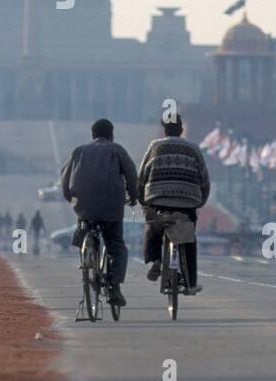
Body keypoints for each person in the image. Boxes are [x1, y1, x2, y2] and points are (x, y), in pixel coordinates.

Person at [59, 118, 138, 307]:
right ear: (111, 135)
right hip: (112, 207)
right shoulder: (117, 150)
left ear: (92, 135)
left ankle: (85, 252)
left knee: (84, 227)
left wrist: (72, 199)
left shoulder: (78, 151)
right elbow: (131, 174)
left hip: (84, 207)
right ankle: (114, 288)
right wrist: (134, 197)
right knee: (117, 247)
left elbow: (64, 180)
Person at [138, 114, 209, 295]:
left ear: (164, 130)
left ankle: (155, 260)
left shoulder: (155, 146)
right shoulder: (193, 149)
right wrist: (199, 202)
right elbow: (204, 180)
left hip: (158, 201)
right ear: (181, 130)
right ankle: (191, 283)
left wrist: (142, 201)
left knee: (153, 230)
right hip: (186, 204)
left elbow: (142, 177)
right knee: (189, 240)